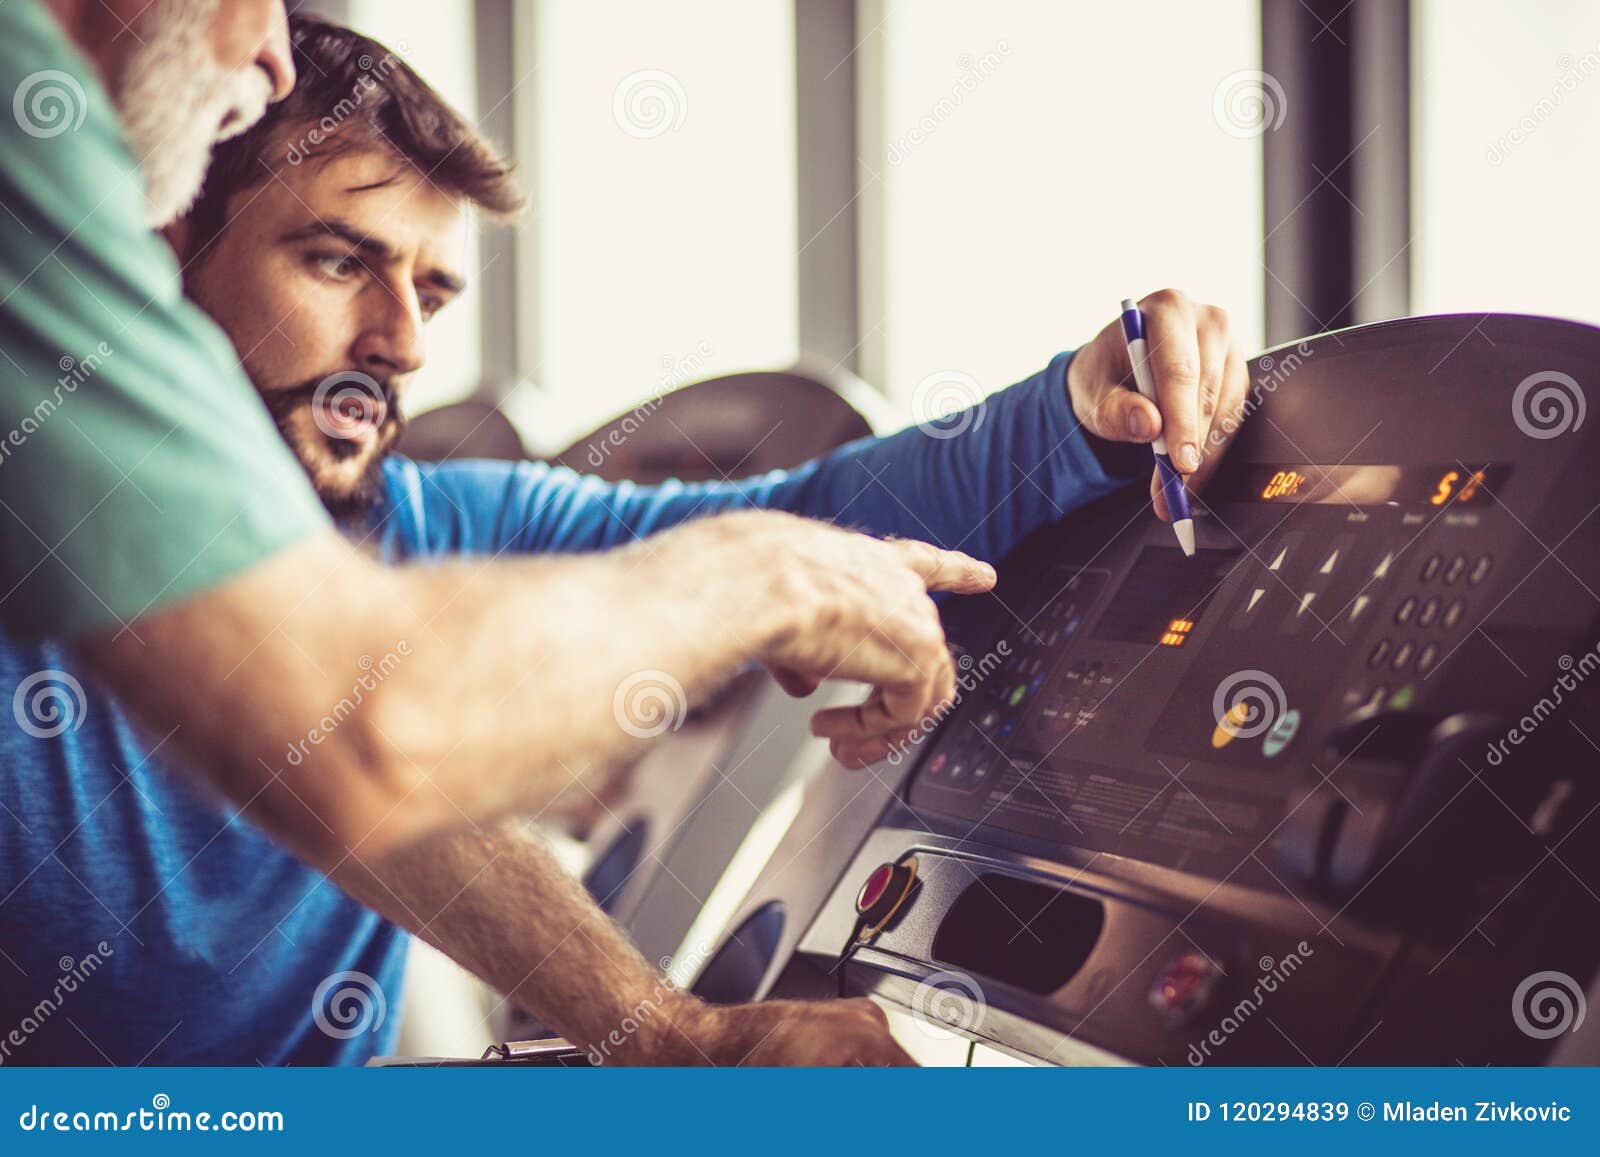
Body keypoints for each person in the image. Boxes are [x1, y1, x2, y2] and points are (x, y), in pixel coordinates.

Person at [0, 4, 1247, 1064]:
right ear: (155, 258)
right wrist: (762, 577)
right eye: (337, 261)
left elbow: (813, 518)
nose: (400, 342)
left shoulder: (425, 526)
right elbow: (370, 729)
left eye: (428, 291)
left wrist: (1083, 411)